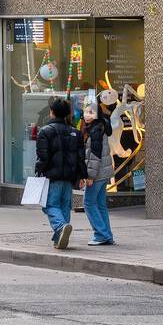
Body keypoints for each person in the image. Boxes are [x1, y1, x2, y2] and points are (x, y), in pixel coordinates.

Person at [35, 97, 87, 250]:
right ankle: (60, 239)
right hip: (69, 177)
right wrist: (83, 175)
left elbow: (43, 156)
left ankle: (61, 226)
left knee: (50, 205)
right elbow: (80, 157)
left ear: (52, 112)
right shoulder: (75, 133)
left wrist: (39, 170)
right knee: (64, 206)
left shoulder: (45, 131)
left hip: (53, 176)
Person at [82, 90, 117, 247]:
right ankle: (106, 234)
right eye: (86, 112)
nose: (87, 115)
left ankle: (101, 234)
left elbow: (95, 155)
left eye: (91, 112)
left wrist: (90, 176)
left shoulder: (96, 130)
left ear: (97, 114)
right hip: (104, 173)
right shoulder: (101, 127)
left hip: (97, 174)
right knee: (100, 204)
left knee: (89, 203)